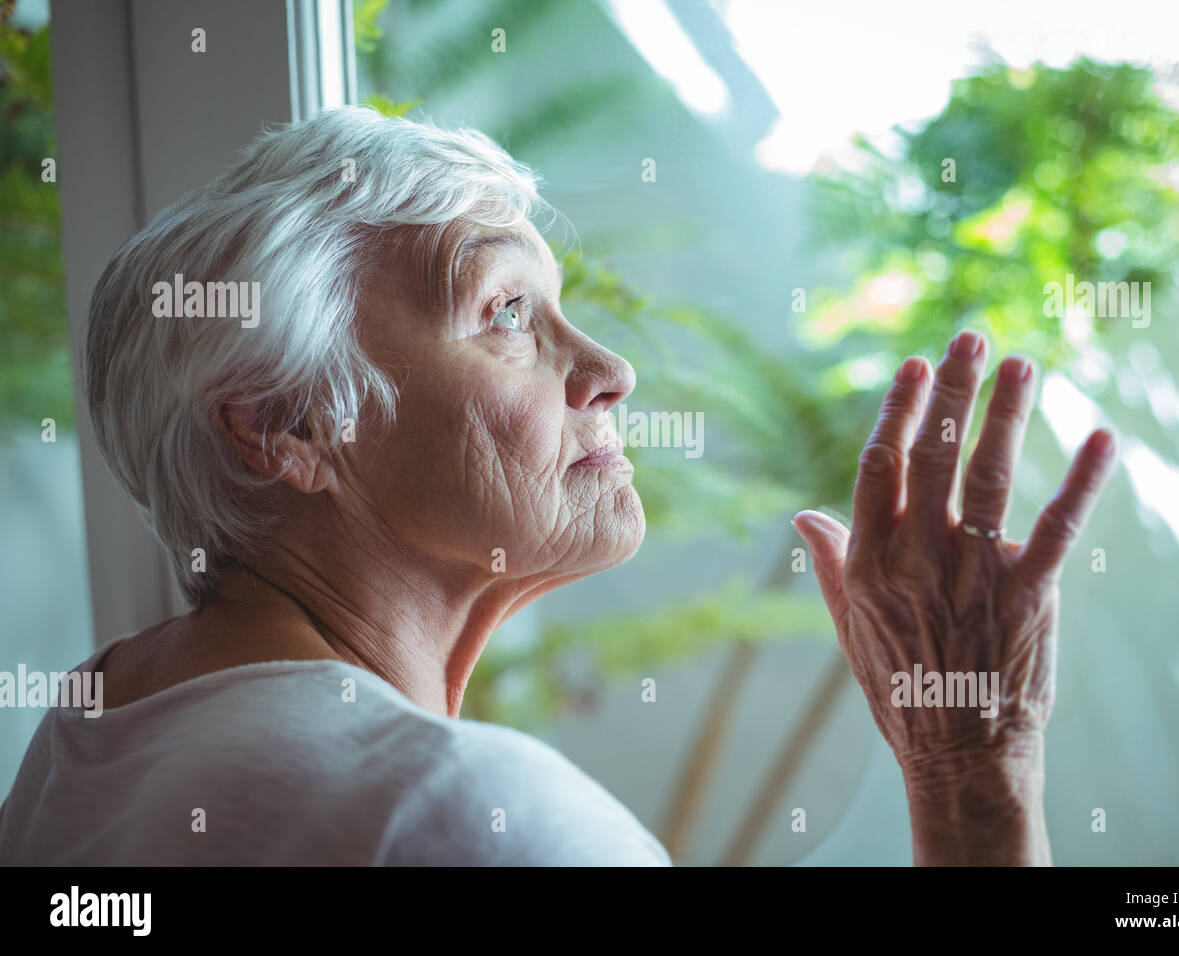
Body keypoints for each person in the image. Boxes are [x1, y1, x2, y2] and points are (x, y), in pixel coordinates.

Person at [0, 107, 1115, 865]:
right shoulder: (457, 814)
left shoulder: (95, 731)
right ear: (285, 425)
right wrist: (976, 764)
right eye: (504, 313)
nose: (611, 371)